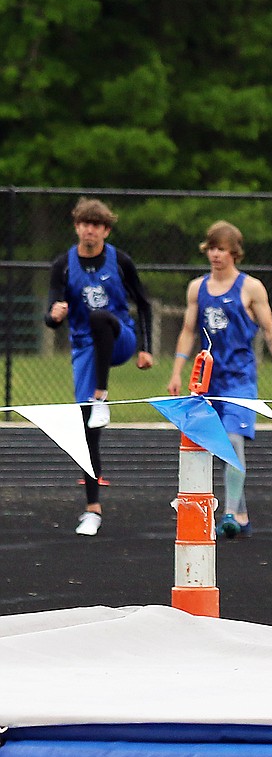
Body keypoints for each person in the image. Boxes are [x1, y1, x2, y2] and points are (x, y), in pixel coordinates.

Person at [168, 221, 272, 540]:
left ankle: (228, 513)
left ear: (234, 253)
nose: (215, 254)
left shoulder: (251, 288)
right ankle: (241, 515)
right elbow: (188, 331)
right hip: (208, 380)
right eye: (211, 248)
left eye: (221, 249)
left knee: (233, 440)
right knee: (209, 444)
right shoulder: (197, 288)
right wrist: (177, 371)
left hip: (240, 379)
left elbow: (270, 332)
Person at [45, 197, 153, 536]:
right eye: (84, 224)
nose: (89, 230)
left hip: (120, 338)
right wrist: (54, 316)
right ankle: (92, 509)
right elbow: (50, 316)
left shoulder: (120, 261)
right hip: (85, 348)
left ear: (106, 230)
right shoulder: (63, 265)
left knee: (99, 318)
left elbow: (144, 303)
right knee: (86, 427)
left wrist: (146, 349)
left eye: (96, 225)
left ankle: (101, 395)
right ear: (76, 227)